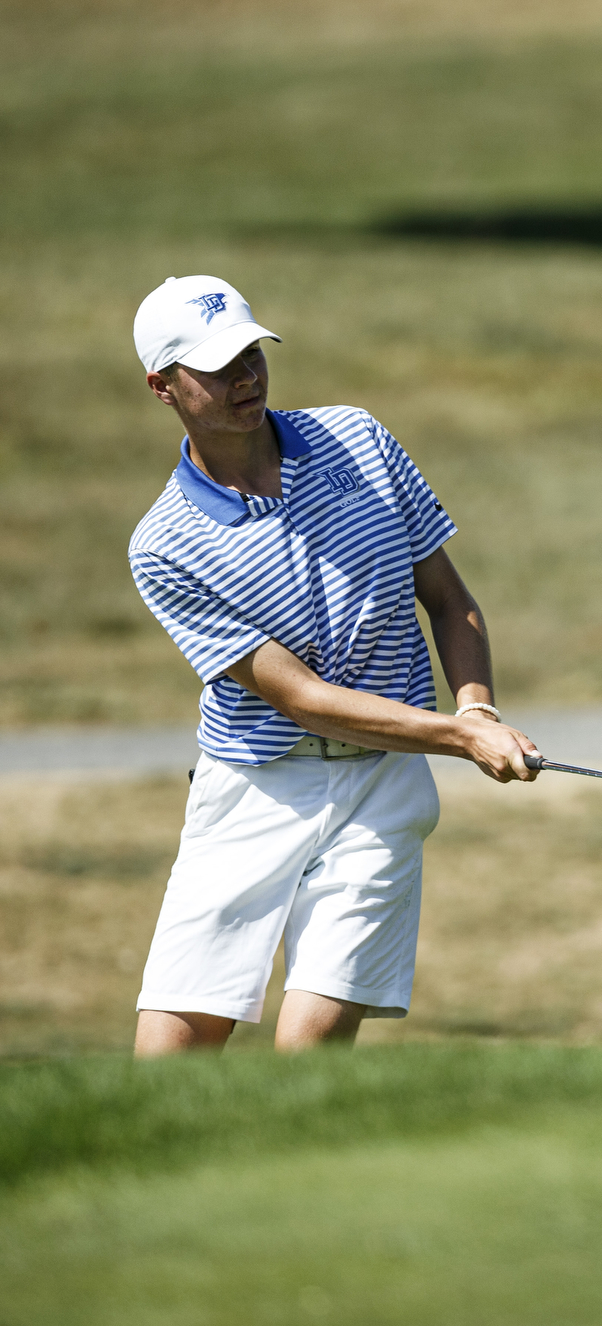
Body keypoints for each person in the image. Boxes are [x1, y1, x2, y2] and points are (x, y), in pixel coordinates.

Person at [126, 275, 540, 1056]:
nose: (245, 378)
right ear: (163, 387)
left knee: (311, 1048)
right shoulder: (165, 545)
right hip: (254, 788)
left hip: (382, 784)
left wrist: (477, 709)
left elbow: (449, 599)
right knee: (175, 1051)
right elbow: (305, 699)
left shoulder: (359, 440)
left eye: (252, 353)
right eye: (216, 368)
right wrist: (455, 736)